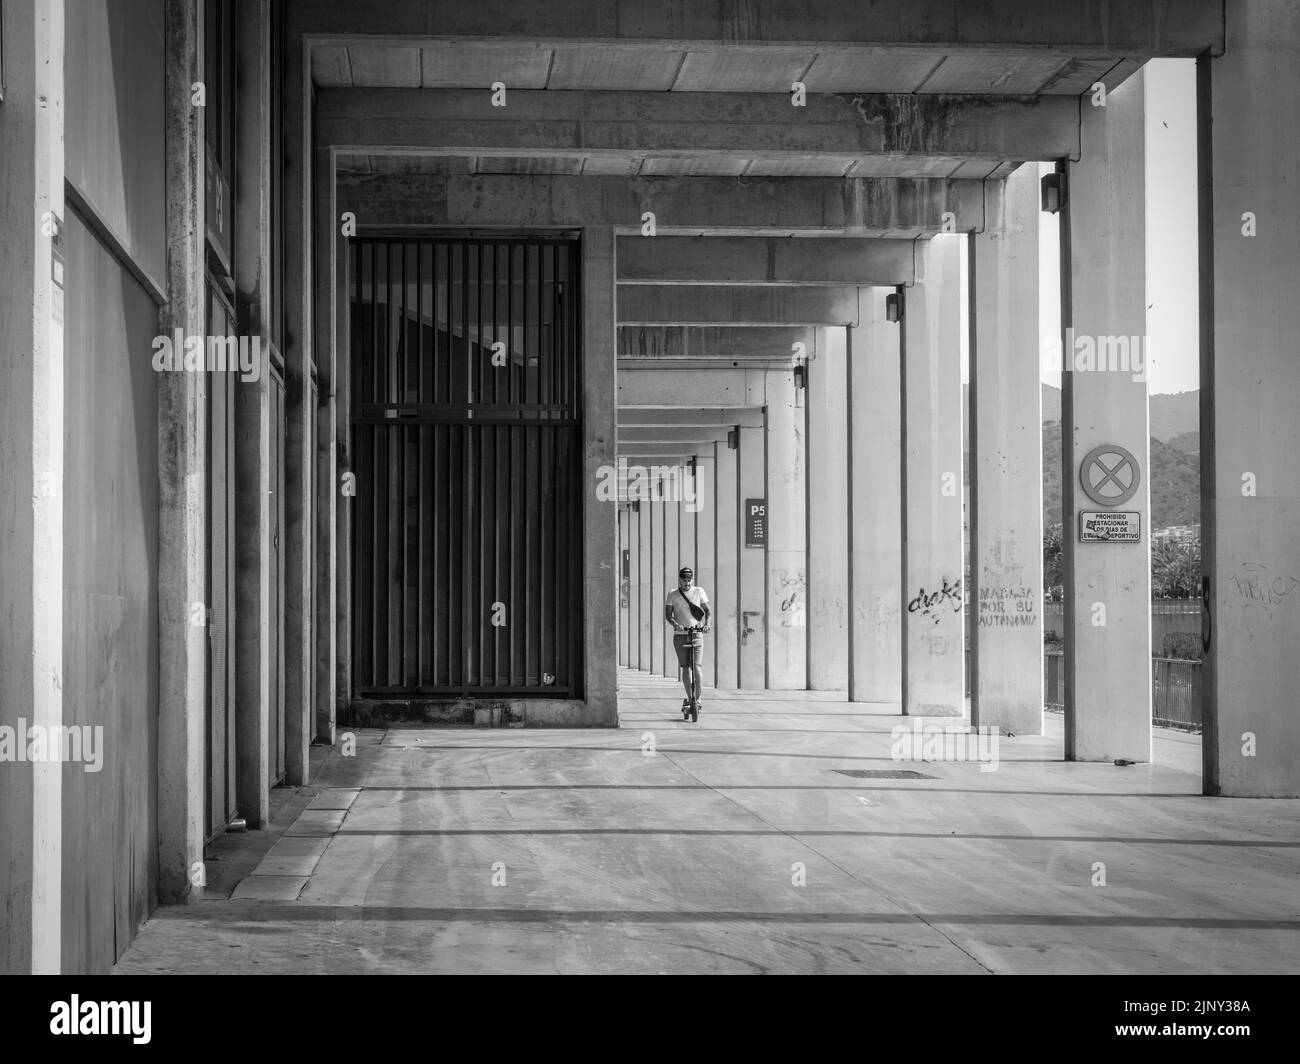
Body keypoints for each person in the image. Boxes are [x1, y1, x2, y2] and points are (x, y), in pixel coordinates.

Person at [664, 566, 710, 719]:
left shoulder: (699, 591)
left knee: (697, 666)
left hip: (696, 634)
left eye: (689, 580)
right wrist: (675, 624)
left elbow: (707, 611)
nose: (687, 583)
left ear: (692, 580)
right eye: (684, 580)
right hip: (680, 635)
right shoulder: (672, 594)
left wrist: (707, 623)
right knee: (685, 667)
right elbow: (668, 615)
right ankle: (690, 699)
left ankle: (698, 699)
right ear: (679, 580)